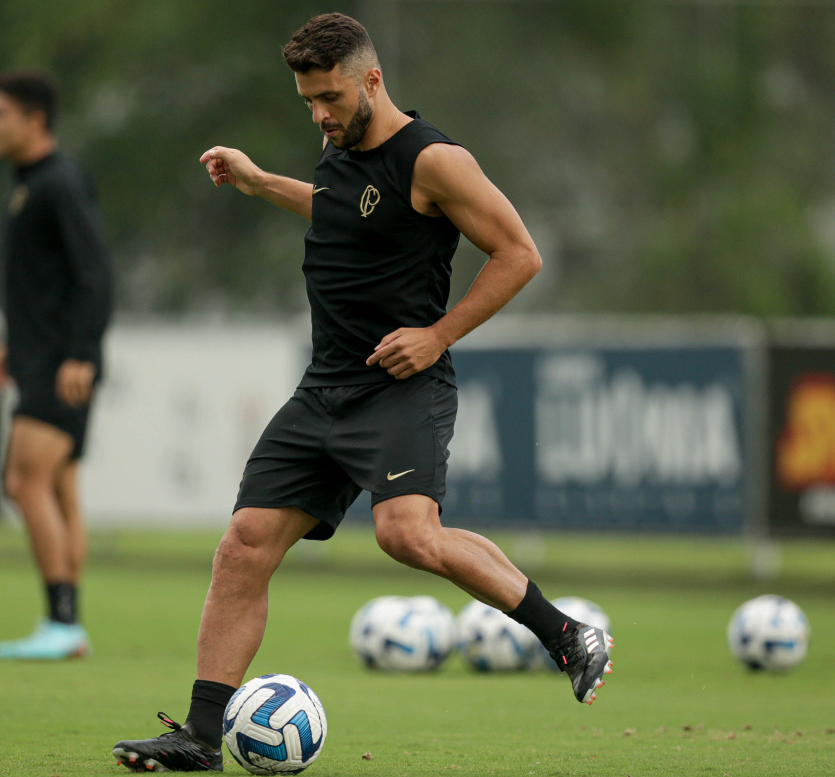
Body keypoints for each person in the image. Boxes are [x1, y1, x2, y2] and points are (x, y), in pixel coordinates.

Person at [113, 13, 612, 772]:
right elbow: (342, 211)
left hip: (400, 385)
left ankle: (566, 634)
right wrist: (256, 182)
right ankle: (199, 737)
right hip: (324, 386)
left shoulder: (435, 160)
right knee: (241, 546)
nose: (318, 113)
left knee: (405, 534)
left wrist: (437, 334)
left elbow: (520, 254)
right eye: (308, 101)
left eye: (330, 96)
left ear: (371, 80)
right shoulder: (336, 144)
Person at [0, 70, 113, 660]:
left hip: (65, 363)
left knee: (21, 480)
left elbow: (95, 274)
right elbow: (43, 281)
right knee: (58, 491)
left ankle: (63, 623)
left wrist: (81, 352)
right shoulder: (28, 183)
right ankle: (66, 624)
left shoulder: (59, 182)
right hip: (41, 356)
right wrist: (14, 340)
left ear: (34, 121)